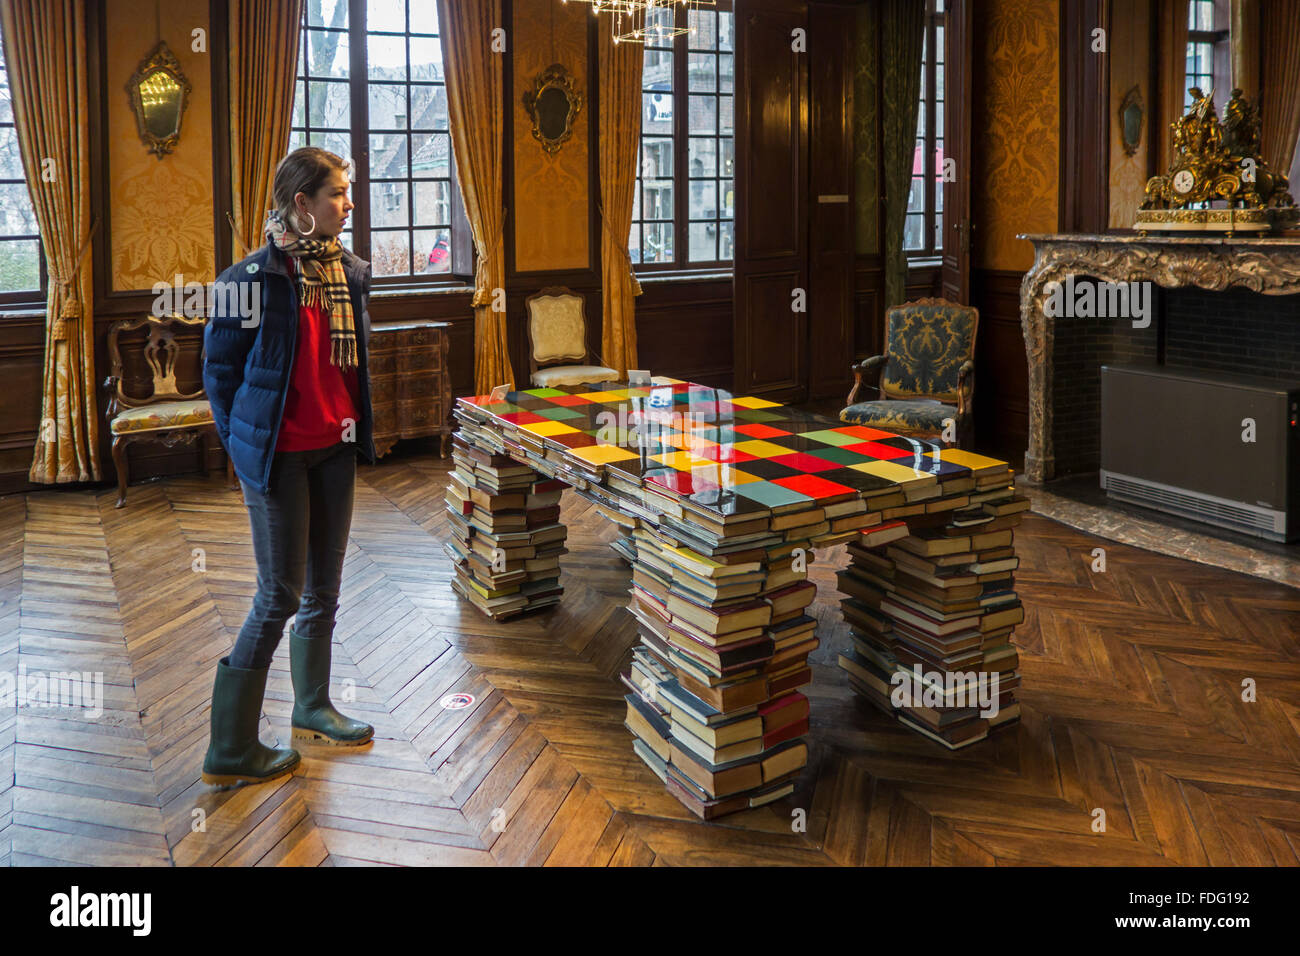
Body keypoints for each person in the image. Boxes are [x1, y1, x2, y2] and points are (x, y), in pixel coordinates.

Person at [200, 146, 377, 788]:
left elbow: (350, 368)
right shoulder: (247, 279)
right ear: (301, 205)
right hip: (277, 457)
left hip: (335, 448)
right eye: (337, 194)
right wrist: (245, 446)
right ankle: (230, 748)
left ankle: (311, 706)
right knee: (280, 594)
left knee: (324, 590)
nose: (348, 204)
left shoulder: (350, 273)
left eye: (348, 193)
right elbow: (219, 374)